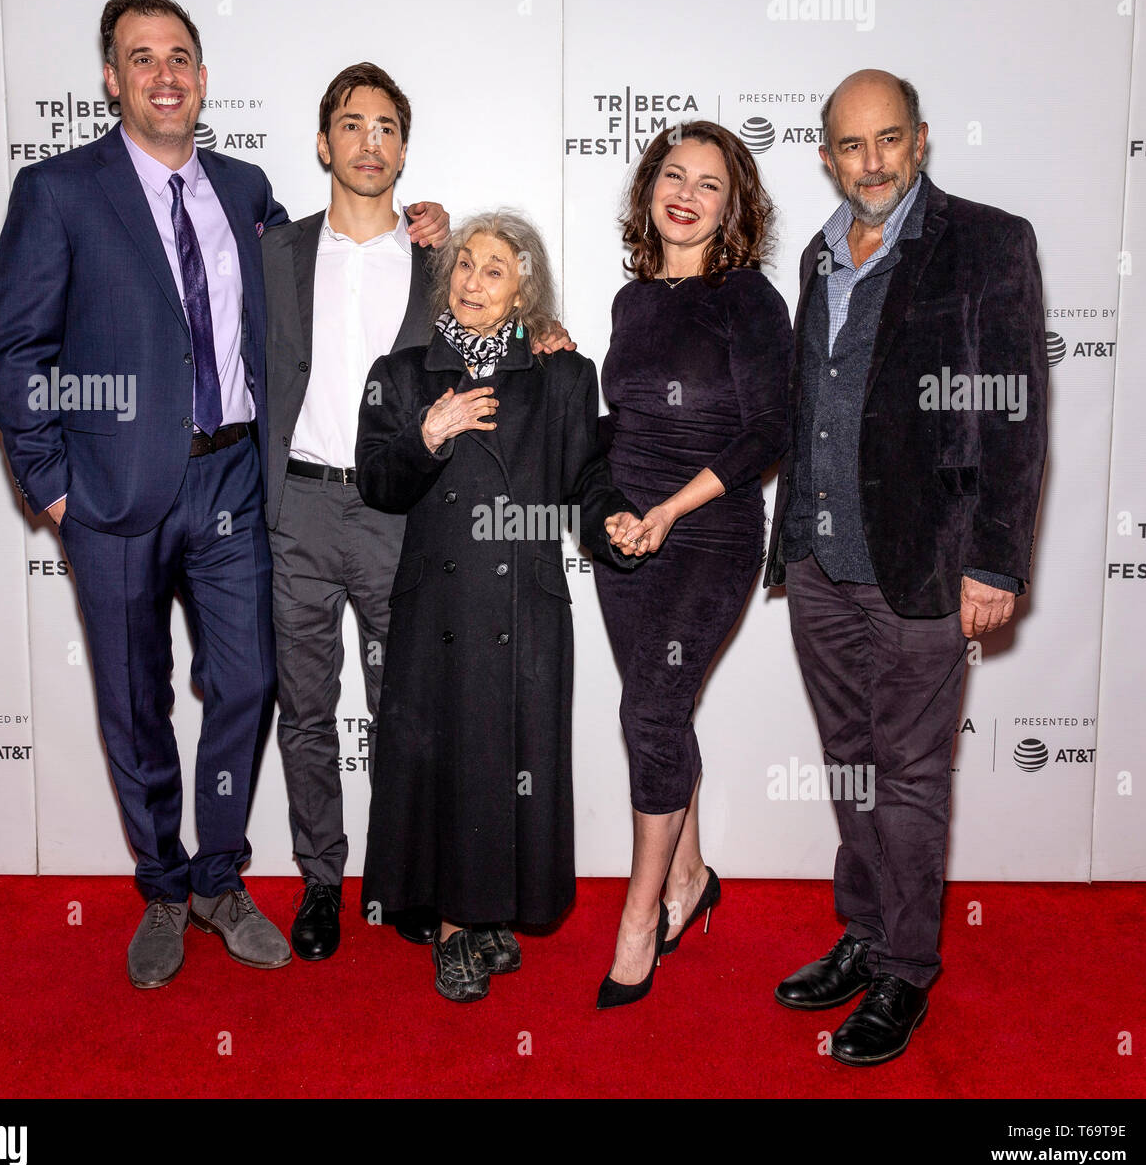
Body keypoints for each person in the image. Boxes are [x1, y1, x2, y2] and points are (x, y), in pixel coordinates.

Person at [0, 0, 292, 988]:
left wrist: (413, 242)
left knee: (245, 683)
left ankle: (217, 877)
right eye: (141, 57)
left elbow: (312, 293)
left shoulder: (247, 188)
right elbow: (17, 353)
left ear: (203, 77)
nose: (165, 74)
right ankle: (164, 886)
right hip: (110, 497)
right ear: (112, 78)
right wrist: (53, 486)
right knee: (135, 703)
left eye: (181, 56)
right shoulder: (60, 191)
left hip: (233, 478)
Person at [765, 69, 1048, 1064]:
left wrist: (998, 562)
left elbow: (1013, 414)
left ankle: (906, 972)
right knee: (849, 762)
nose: (871, 161)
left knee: (911, 779)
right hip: (818, 560)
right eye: (851, 145)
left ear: (920, 141)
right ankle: (867, 930)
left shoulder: (986, 242)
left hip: (925, 567)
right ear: (827, 156)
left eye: (888, 140)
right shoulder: (815, 255)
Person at [354, 211, 642, 1002]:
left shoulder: (564, 376)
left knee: (508, 762)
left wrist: (612, 520)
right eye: (464, 265)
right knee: (449, 759)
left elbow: (583, 481)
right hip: (436, 603)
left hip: (526, 600)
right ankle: (451, 923)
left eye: (494, 270)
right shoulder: (403, 372)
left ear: (525, 293)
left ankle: (491, 916)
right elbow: (378, 480)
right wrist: (428, 434)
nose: (472, 281)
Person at [592, 121, 792, 1008]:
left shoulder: (745, 298)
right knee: (658, 715)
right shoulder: (631, 302)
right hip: (625, 542)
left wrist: (671, 511)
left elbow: (770, 432)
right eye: (674, 175)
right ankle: (691, 875)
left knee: (654, 707)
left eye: (710, 184)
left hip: (707, 537)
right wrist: (615, 515)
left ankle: (638, 919)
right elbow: (615, 427)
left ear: (732, 208)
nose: (686, 193)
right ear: (649, 192)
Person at [261, 63, 451, 958]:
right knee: (306, 709)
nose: (368, 142)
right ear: (324, 142)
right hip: (296, 505)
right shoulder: (278, 253)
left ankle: (401, 875)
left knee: (401, 704)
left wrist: (551, 335)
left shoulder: (439, 261)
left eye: (385, 127)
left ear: (404, 148)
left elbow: (508, 332)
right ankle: (321, 882)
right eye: (351, 124)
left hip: (397, 515)